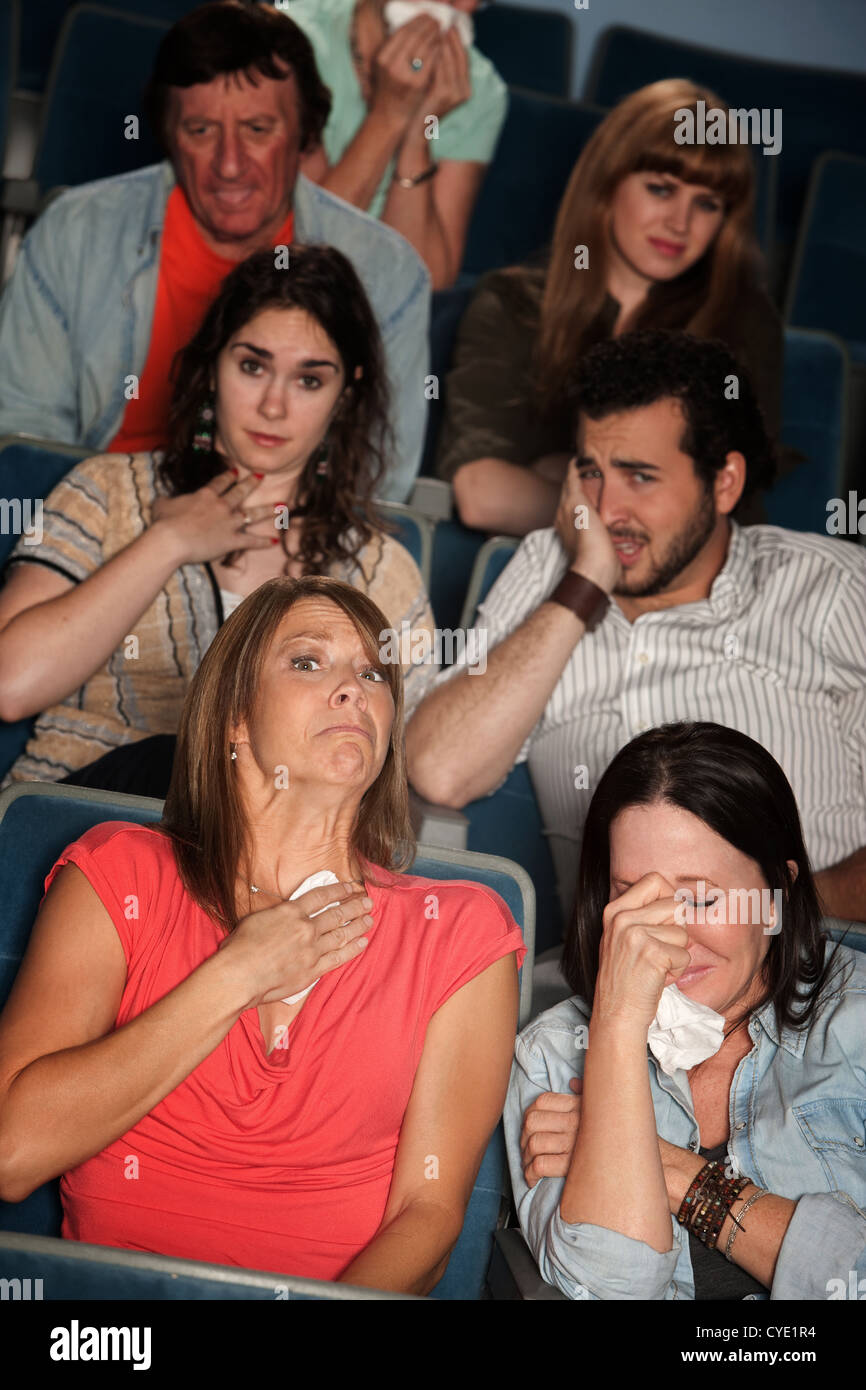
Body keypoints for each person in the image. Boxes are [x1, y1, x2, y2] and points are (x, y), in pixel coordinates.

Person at [0, 576, 526, 1291]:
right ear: (234, 721)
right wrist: (237, 975)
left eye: (372, 672)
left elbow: (427, 1217)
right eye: (308, 662)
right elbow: (13, 1151)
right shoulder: (118, 872)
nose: (354, 689)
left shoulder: (459, 931)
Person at [407, 332, 866, 927]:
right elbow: (439, 769)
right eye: (591, 473)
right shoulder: (554, 565)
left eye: (640, 477)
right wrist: (585, 583)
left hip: (817, 968)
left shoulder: (829, 586)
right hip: (614, 982)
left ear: (724, 482)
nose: (608, 509)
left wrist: (772, 918)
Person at [0, 244, 439, 794]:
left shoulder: (380, 569)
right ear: (212, 369)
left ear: (345, 396)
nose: (273, 406)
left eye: (309, 380)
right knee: (178, 760)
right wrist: (168, 541)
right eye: (252, 366)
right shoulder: (109, 491)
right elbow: (11, 683)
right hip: (85, 813)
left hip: (278, 854)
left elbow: (410, 768)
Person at [0, 0, 430, 502]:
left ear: (304, 135)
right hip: (100, 517)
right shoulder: (75, 232)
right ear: (168, 135)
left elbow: (376, 483)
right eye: (201, 131)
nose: (229, 165)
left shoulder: (388, 275)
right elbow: (26, 444)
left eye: (257, 130)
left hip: (282, 547)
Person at [503, 721, 866, 1301]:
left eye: (701, 897)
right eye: (634, 898)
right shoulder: (552, 1053)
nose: (665, 937)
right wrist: (617, 1026)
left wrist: (674, 1173)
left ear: (778, 893)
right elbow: (609, 1287)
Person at [435, 79, 783, 534]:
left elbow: (728, 509)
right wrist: (648, 498)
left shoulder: (744, 323)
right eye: (661, 189)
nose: (679, 223)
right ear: (607, 183)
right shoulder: (512, 302)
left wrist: (564, 475)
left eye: (707, 204)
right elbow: (483, 496)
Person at [289, 0, 507, 288]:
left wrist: (420, 130)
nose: (463, 7)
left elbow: (429, 281)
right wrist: (389, 115)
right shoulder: (293, 42)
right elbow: (303, 246)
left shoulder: (477, 89)